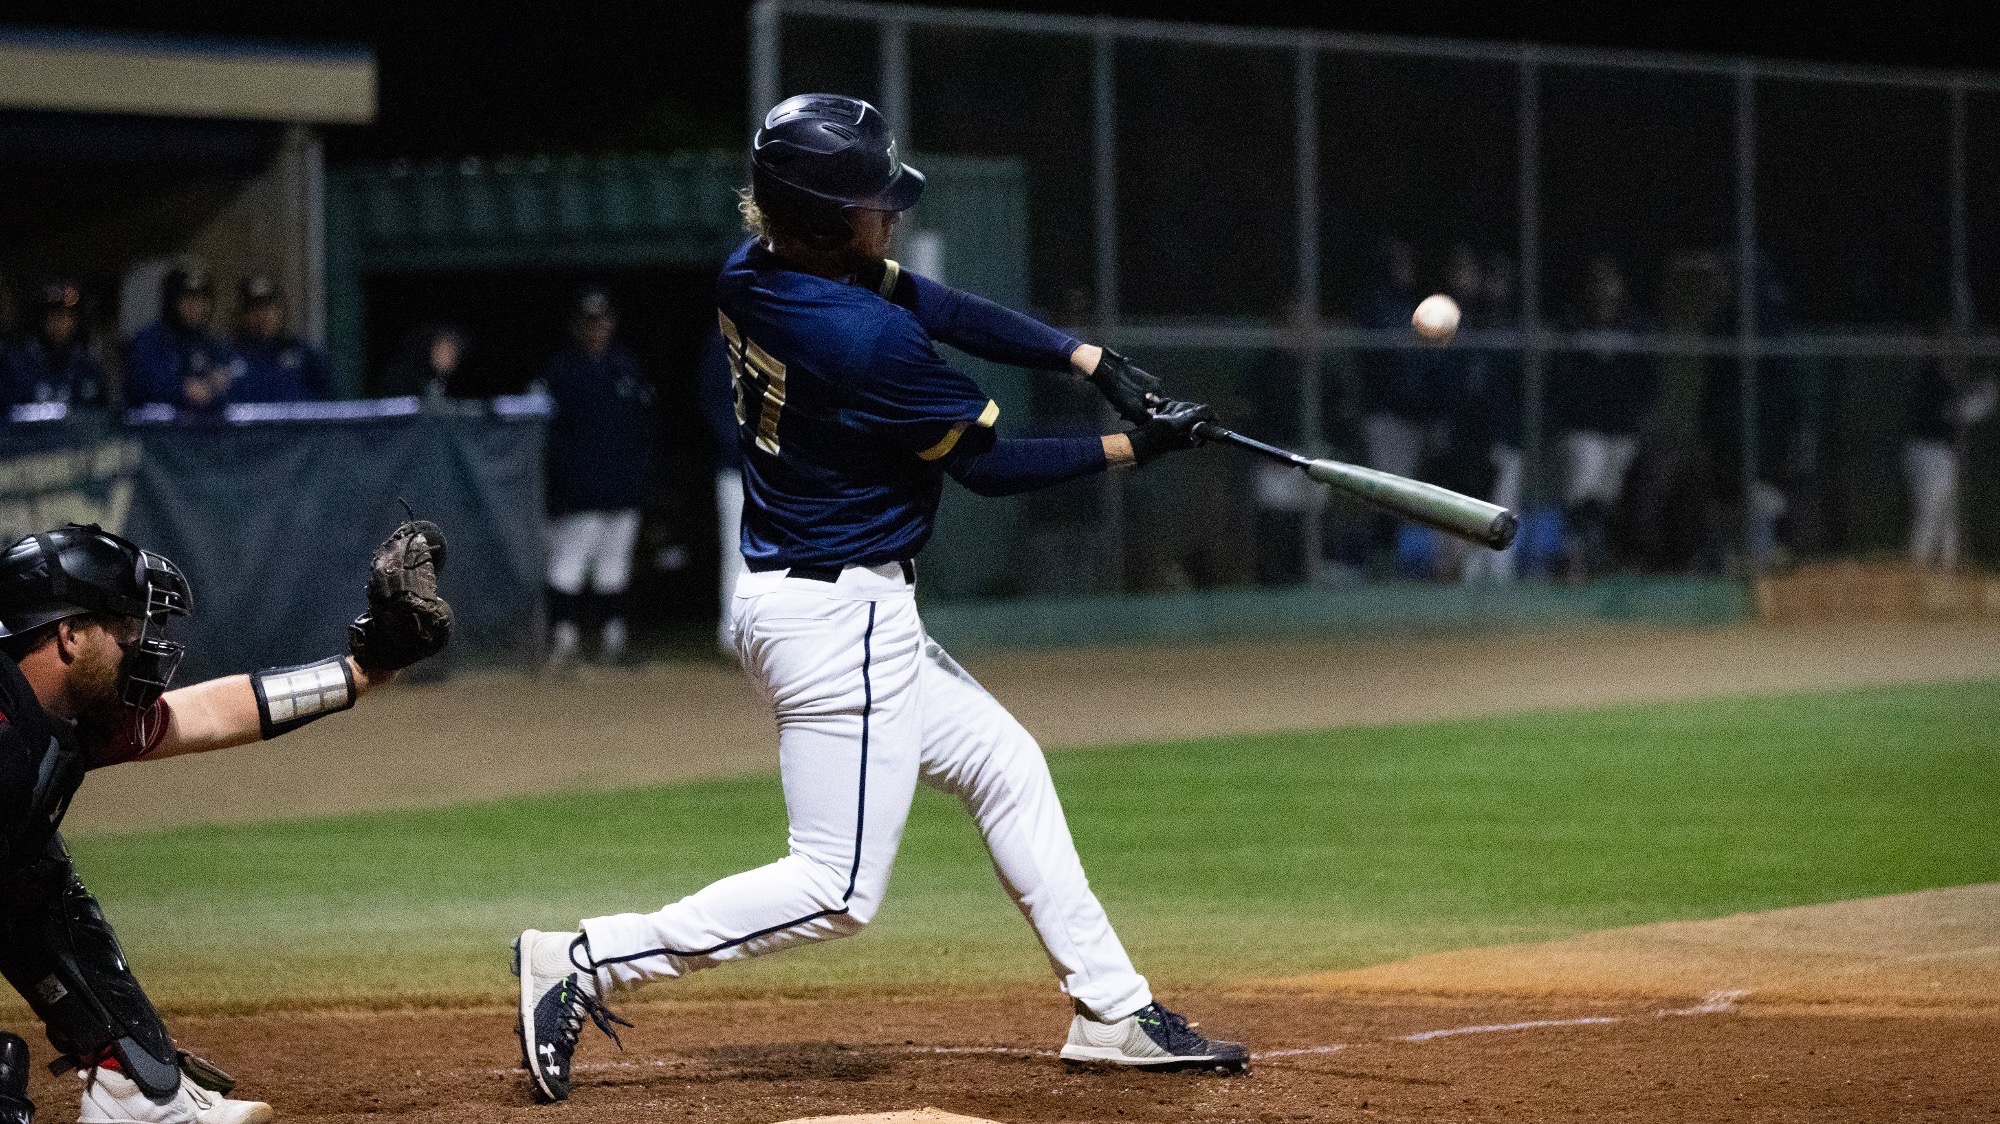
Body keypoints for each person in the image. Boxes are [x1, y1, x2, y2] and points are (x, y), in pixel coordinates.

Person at [511, 94, 1244, 1106]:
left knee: (1003, 763)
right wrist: (1135, 446)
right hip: (836, 617)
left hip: (819, 600)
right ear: (819, 216)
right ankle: (587, 957)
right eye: (869, 203)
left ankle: (1111, 1009)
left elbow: (937, 304)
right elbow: (984, 467)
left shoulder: (755, 271)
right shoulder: (858, 342)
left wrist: (1087, 361)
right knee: (836, 888)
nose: (887, 215)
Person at [0, 520, 451, 1124]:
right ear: (69, 635)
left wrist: (363, 671)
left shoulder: (70, 716)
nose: (141, 643)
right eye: (125, 627)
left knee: (35, 877)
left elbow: (212, 711)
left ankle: (132, 1095)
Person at [540, 288, 657, 669]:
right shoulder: (562, 372)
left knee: (614, 567)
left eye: (603, 319)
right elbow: (550, 439)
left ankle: (614, 642)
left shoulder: (625, 367)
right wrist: (559, 486)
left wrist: (641, 480)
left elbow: (645, 430)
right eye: (590, 320)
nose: (598, 328)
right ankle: (564, 644)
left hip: (621, 489)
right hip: (579, 492)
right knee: (568, 566)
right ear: (577, 326)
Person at [1548, 255, 1656, 578]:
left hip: (1622, 431)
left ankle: (1606, 562)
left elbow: (1650, 383)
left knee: (1611, 499)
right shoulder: (1572, 326)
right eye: (1599, 285)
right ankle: (1576, 559)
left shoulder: (1634, 328)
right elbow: (1558, 384)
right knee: (1583, 486)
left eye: (1611, 284)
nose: (1605, 292)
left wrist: (1642, 417)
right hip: (1583, 430)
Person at [1904, 323, 1998, 572]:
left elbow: (1959, 408)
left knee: (1945, 512)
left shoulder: (1941, 377)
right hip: (1928, 452)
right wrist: (1984, 400)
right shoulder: (1931, 377)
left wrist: (1981, 398)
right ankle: (1920, 565)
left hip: (1936, 453)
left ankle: (1946, 567)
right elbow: (1957, 412)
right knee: (1931, 509)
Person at [124, 265, 242, 413]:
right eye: (188, 298)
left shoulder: (213, 344)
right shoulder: (150, 341)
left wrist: (221, 385)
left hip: (204, 430)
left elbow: (234, 385)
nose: (196, 306)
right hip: (157, 432)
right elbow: (140, 386)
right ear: (171, 301)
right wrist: (181, 389)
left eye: (202, 298)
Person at [695, 325, 746, 652]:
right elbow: (711, 398)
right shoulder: (722, 342)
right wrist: (741, 443)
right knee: (737, 550)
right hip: (737, 466)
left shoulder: (793, 328)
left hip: (786, 471)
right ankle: (734, 636)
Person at [4, 282, 109, 411]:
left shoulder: (87, 363)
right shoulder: (21, 364)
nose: (60, 323)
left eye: (66, 316)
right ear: (42, 319)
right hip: (36, 431)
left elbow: (103, 411)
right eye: (53, 316)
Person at [229, 275, 332, 403]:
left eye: (269, 307)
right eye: (255, 308)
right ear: (243, 314)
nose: (263, 315)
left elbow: (326, 402)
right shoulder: (227, 355)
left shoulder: (303, 354)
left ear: (281, 311)